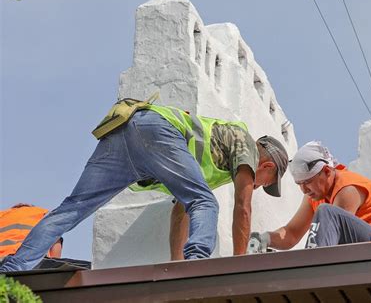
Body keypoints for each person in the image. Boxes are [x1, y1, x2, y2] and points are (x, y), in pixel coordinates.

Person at [0, 102, 287, 272]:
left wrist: (177, 264)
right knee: (207, 203)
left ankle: (13, 268)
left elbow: (181, 211)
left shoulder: (210, 165)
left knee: (73, 208)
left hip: (125, 132)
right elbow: (243, 207)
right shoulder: (246, 144)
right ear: (267, 167)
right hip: (157, 130)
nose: (258, 187)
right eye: (266, 184)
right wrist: (238, 263)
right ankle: (197, 264)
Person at [249, 141, 371, 252]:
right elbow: (291, 234)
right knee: (326, 212)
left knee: (327, 212)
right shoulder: (315, 196)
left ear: (326, 172)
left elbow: (337, 242)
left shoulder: (347, 188)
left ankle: (312, 267)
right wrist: (265, 238)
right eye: (299, 184)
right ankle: (312, 264)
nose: (304, 190)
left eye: (308, 182)